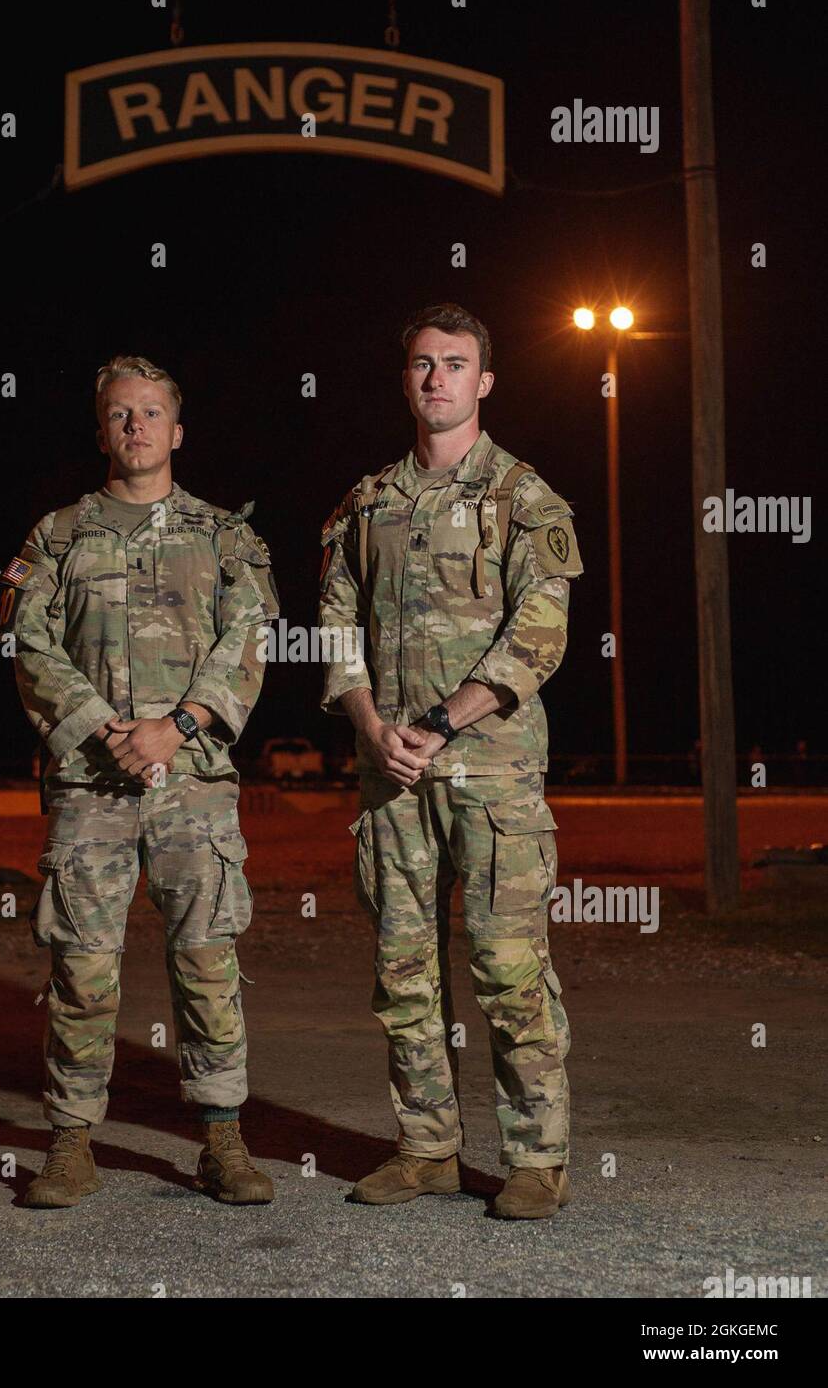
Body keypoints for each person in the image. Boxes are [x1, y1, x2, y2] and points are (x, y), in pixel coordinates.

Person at [318, 303, 583, 1218]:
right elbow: (335, 629)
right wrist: (367, 721)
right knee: (402, 969)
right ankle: (426, 1147)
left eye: (456, 363)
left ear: (485, 381)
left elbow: (539, 636)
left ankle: (535, 1160)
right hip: (390, 775)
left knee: (508, 965)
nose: (438, 378)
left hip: (492, 772)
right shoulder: (366, 505)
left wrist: (440, 720)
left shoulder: (525, 498)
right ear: (406, 379)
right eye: (424, 363)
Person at [0, 355, 279, 1207]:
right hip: (90, 787)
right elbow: (29, 645)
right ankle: (71, 1143)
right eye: (120, 414)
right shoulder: (57, 536)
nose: (136, 427)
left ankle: (222, 1138)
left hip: (194, 785)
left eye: (150, 413)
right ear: (101, 431)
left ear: (176, 430)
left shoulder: (226, 536)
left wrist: (178, 724)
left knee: (206, 963)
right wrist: (98, 728)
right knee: (81, 969)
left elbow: (250, 639)